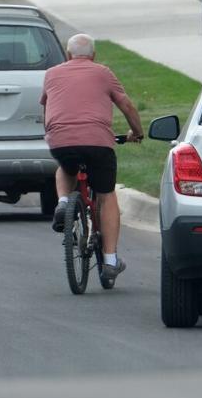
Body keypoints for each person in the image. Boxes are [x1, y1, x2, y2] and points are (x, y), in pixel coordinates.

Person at [41, 33, 144, 284]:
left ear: (67, 55)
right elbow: (127, 106)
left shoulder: (51, 74)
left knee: (65, 167)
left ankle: (64, 202)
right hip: (98, 142)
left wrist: (53, 133)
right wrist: (137, 132)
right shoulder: (103, 72)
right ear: (94, 55)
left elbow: (46, 108)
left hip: (61, 140)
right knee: (106, 194)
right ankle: (110, 261)